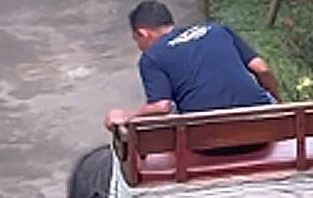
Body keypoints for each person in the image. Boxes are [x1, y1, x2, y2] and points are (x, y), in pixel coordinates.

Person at [104, 1, 281, 130]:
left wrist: (127, 116)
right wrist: (278, 103)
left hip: (208, 142)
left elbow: (161, 107)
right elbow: (261, 69)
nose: (139, 47)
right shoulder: (217, 29)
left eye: (136, 40)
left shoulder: (152, 57)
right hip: (262, 127)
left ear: (143, 33)